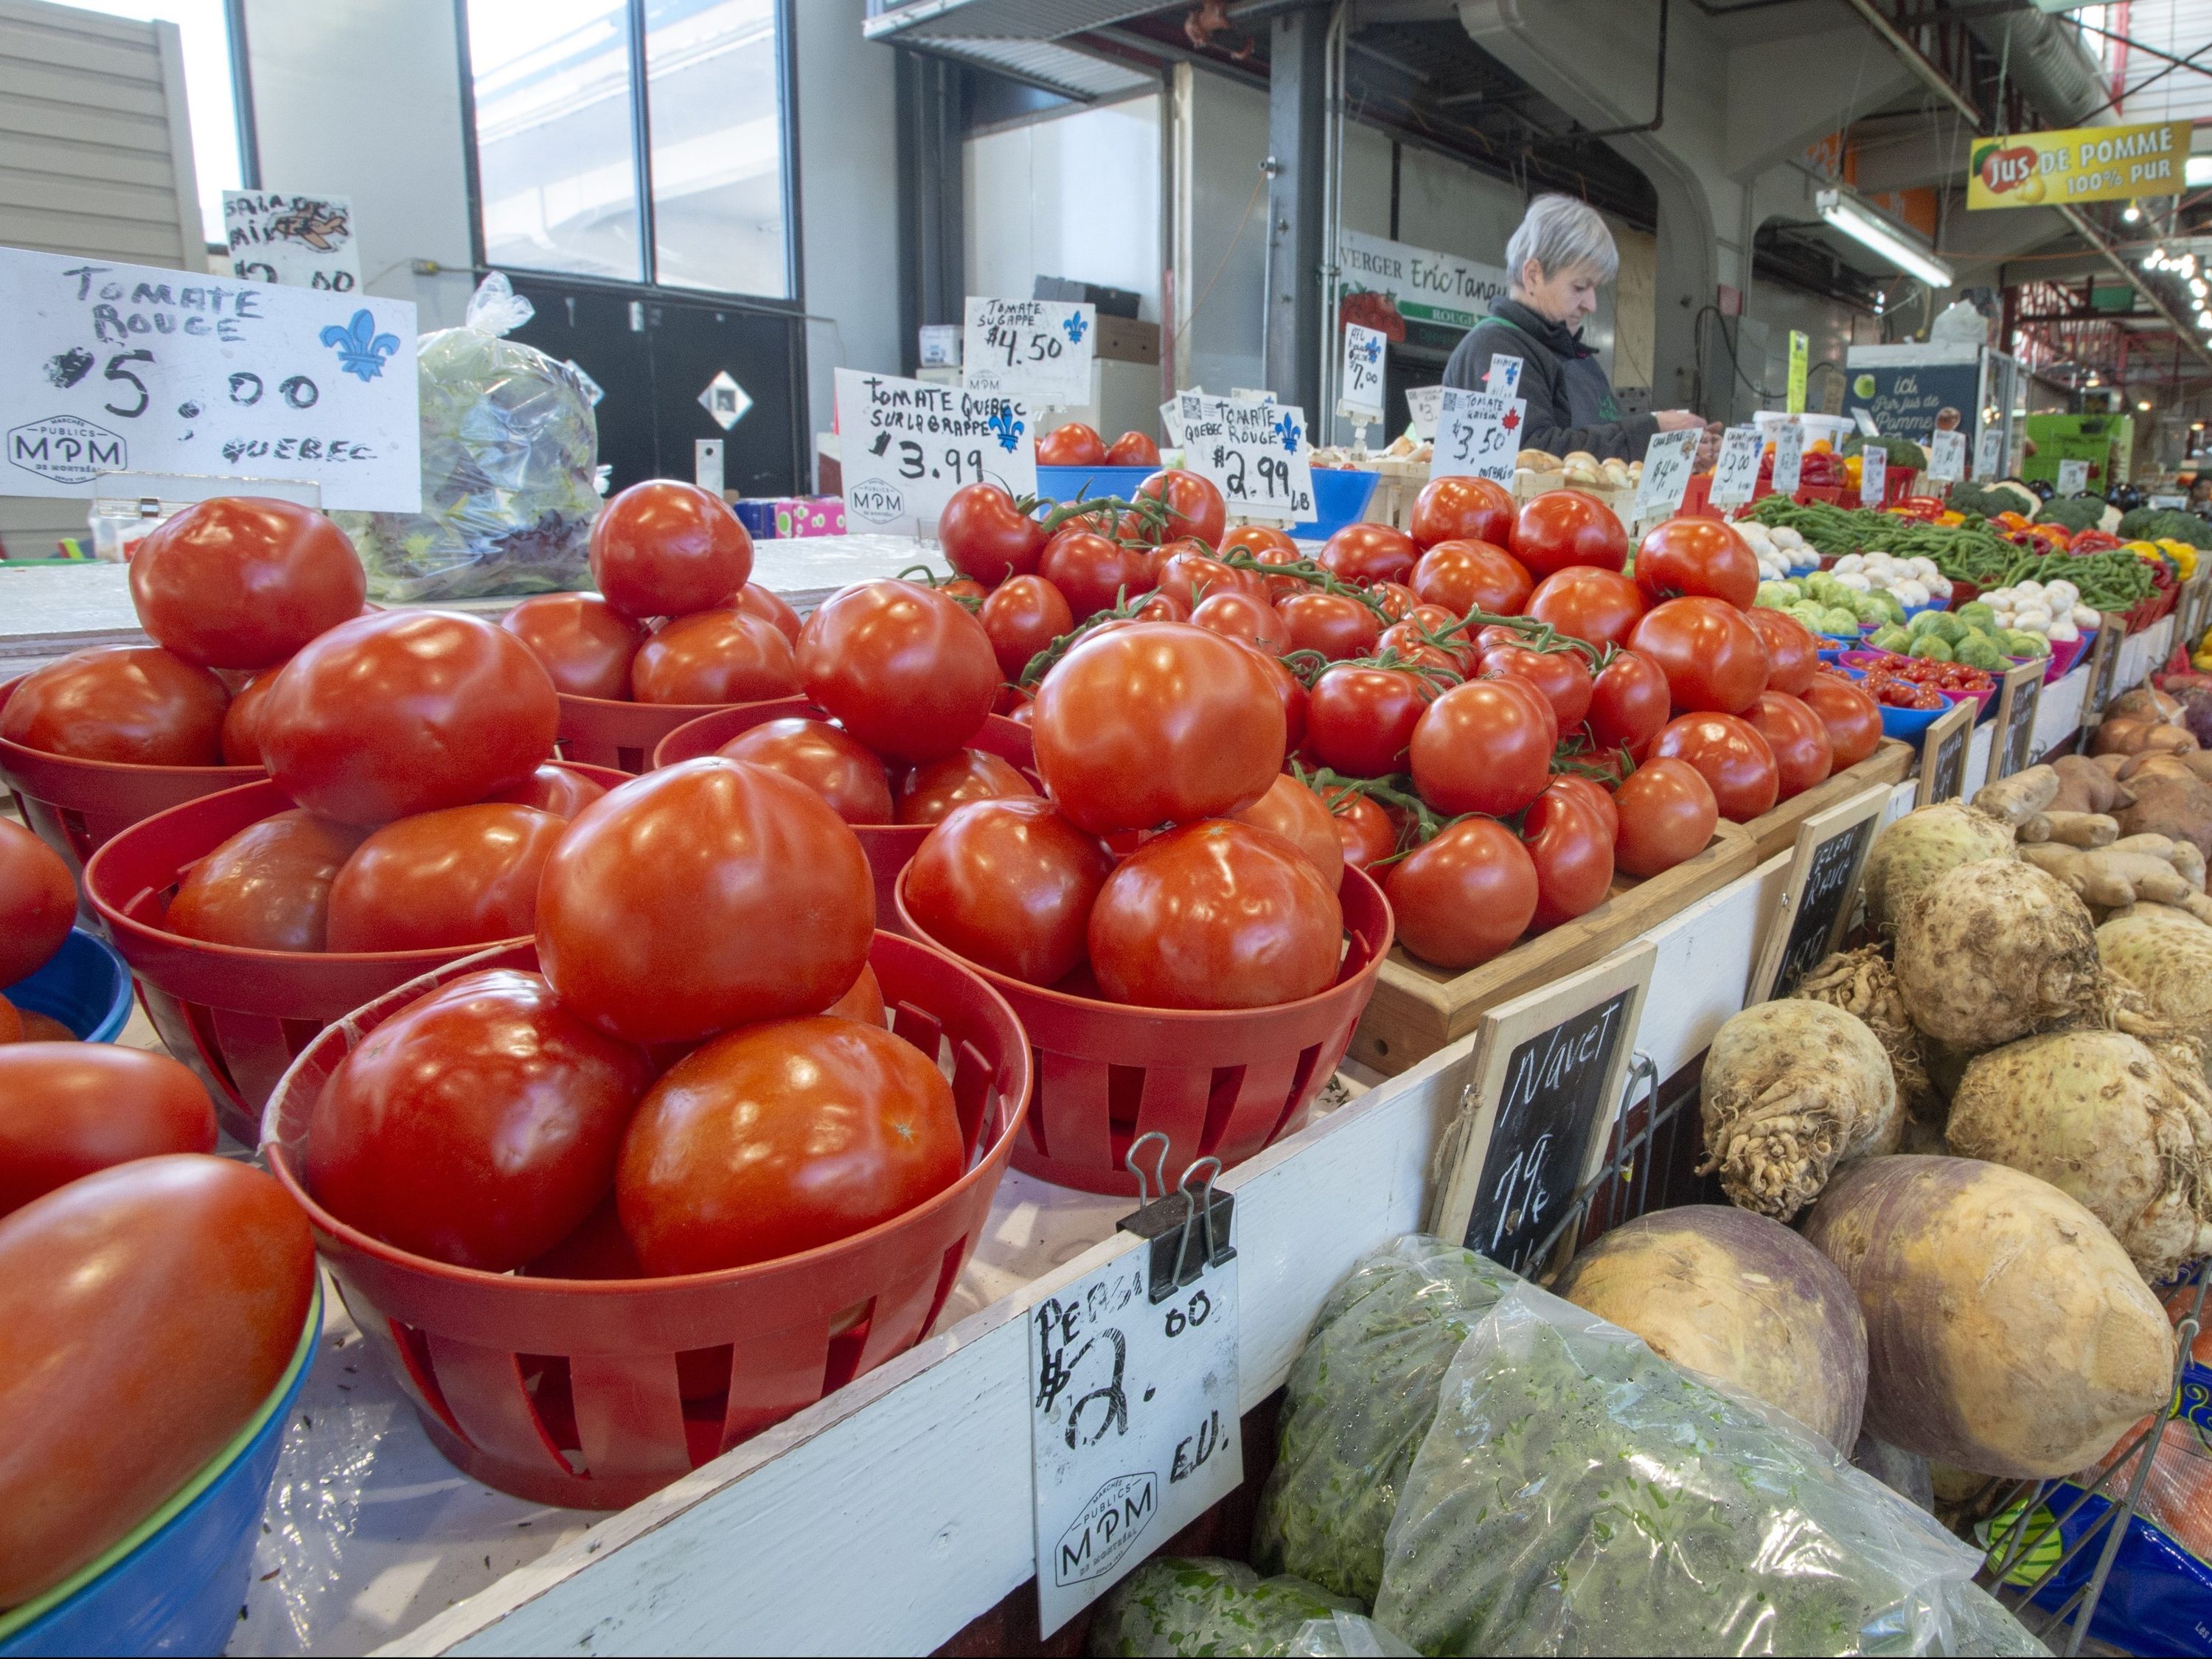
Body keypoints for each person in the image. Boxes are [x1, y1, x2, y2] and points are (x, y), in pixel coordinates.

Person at [1444, 193, 1706, 462]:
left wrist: (1673, 451)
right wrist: (1649, 432)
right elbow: (1525, 456)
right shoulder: (1494, 350)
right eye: (1579, 287)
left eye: (1594, 289)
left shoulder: (1578, 358)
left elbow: (1607, 449)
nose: (1591, 305)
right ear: (1533, 275)